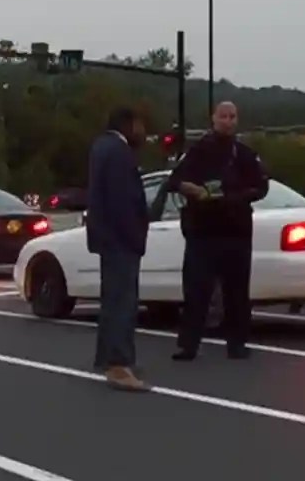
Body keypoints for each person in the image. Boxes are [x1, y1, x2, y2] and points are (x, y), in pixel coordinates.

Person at [166, 101, 268, 361]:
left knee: (237, 293)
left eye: (232, 116)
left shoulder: (245, 154)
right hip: (203, 231)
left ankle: (237, 344)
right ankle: (188, 345)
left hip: (236, 231)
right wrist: (197, 191)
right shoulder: (199, 151)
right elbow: (175, 181)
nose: (228, 121)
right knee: (196, 291)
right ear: (213, 118)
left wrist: (234, 197)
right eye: (223, 116)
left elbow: (261, 187)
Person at [85, 106, 151, 392]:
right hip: (120, 240)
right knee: (122, 302)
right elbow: (122, 202)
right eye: (140, 125)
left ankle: (111, 358)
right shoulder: (119, 153)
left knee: (112, 300)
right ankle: (118, 364)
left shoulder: (102, 147)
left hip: (108, 238)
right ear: (128, 124)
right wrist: (136, 236)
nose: (143, 131)